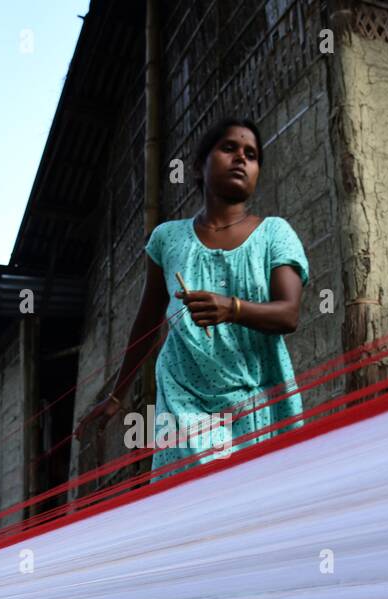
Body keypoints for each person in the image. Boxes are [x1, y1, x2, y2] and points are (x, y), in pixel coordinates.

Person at [75, 116, 310, 479]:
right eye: (228, 148)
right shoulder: (168, 239)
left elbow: (289, 314)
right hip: (185, 398)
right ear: (200, 166)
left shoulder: (275, 234)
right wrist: (117, 397)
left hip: (257, 395)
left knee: (259, 506)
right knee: (199, 504)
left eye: (251, 154)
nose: (241, 159)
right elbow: (146, 322)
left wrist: (230, 308)